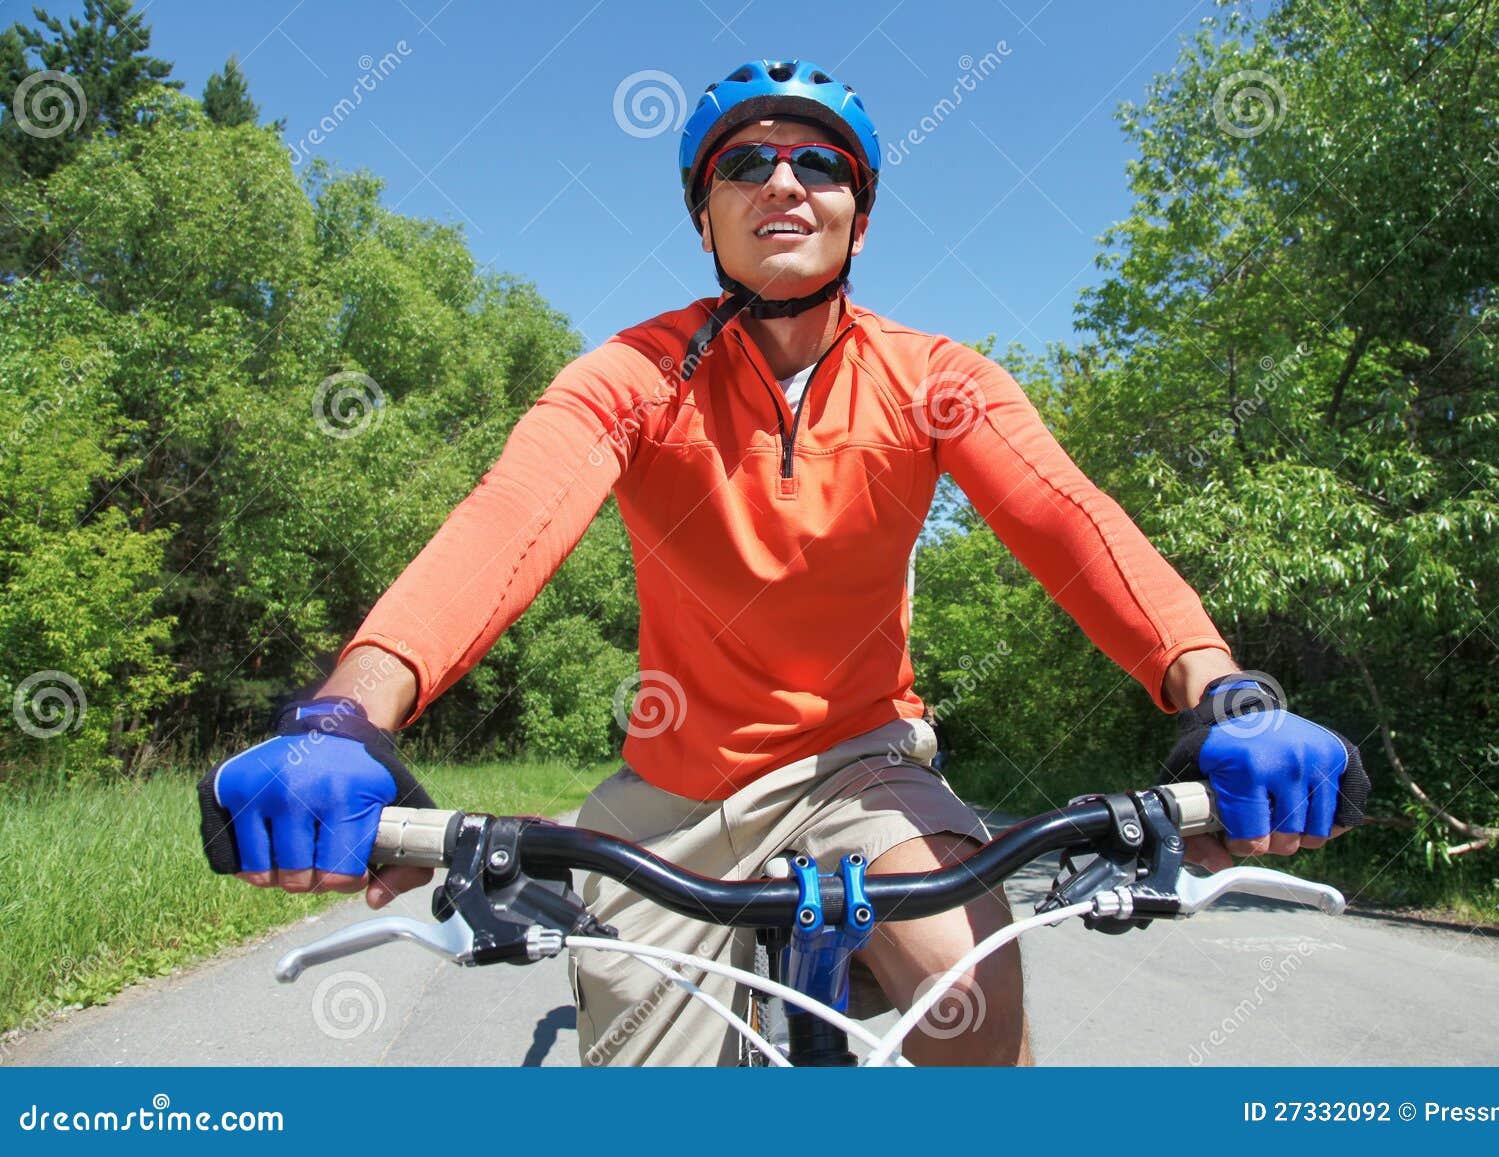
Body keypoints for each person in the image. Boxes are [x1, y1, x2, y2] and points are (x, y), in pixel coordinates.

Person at [198, 59, 1369, 1067]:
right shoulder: (631, 374)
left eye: (819, 165)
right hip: (673, 786)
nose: (781, 182)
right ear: (704, 215)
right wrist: (349, 712)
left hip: (862, 763)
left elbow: (1070, 520)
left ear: (859, 214)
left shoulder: (935, 375)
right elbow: (507, 518)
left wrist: (1222, 689)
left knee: (968, 988)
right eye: (743, 163)